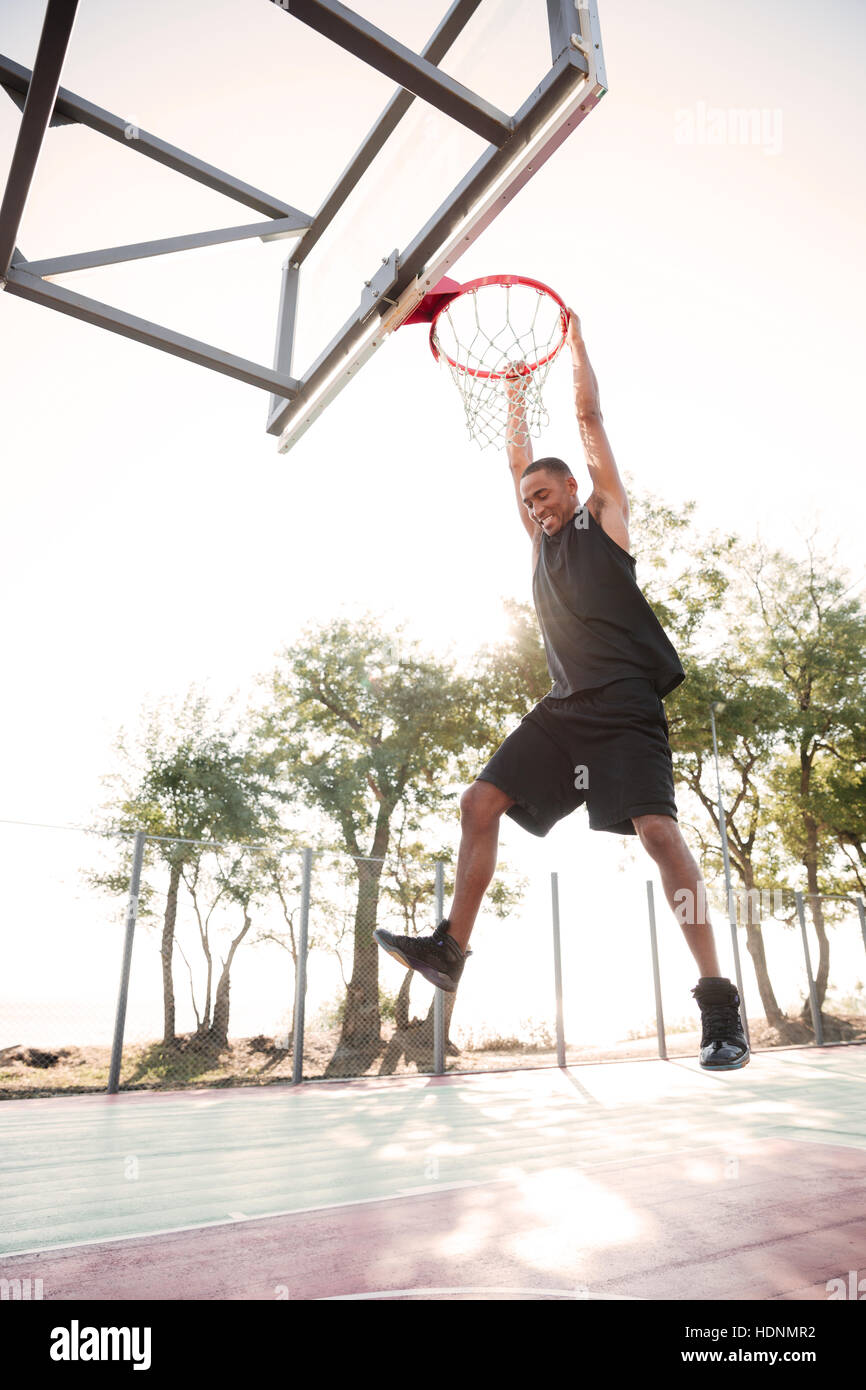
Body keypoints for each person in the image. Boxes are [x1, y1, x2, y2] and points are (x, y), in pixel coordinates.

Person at [375, 308, 749, 1071]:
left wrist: (574, 346)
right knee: (478, 804)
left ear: (573, 488)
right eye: (528, 501)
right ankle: (450, 950)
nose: (536, 506)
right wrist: (512, 390)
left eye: (545, 494)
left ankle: (719, 1005)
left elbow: (587, 415)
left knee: (658, 836)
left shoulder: (605, 520)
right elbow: (516, 454)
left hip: (627, 709)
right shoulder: (538, 546)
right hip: (565, 708)